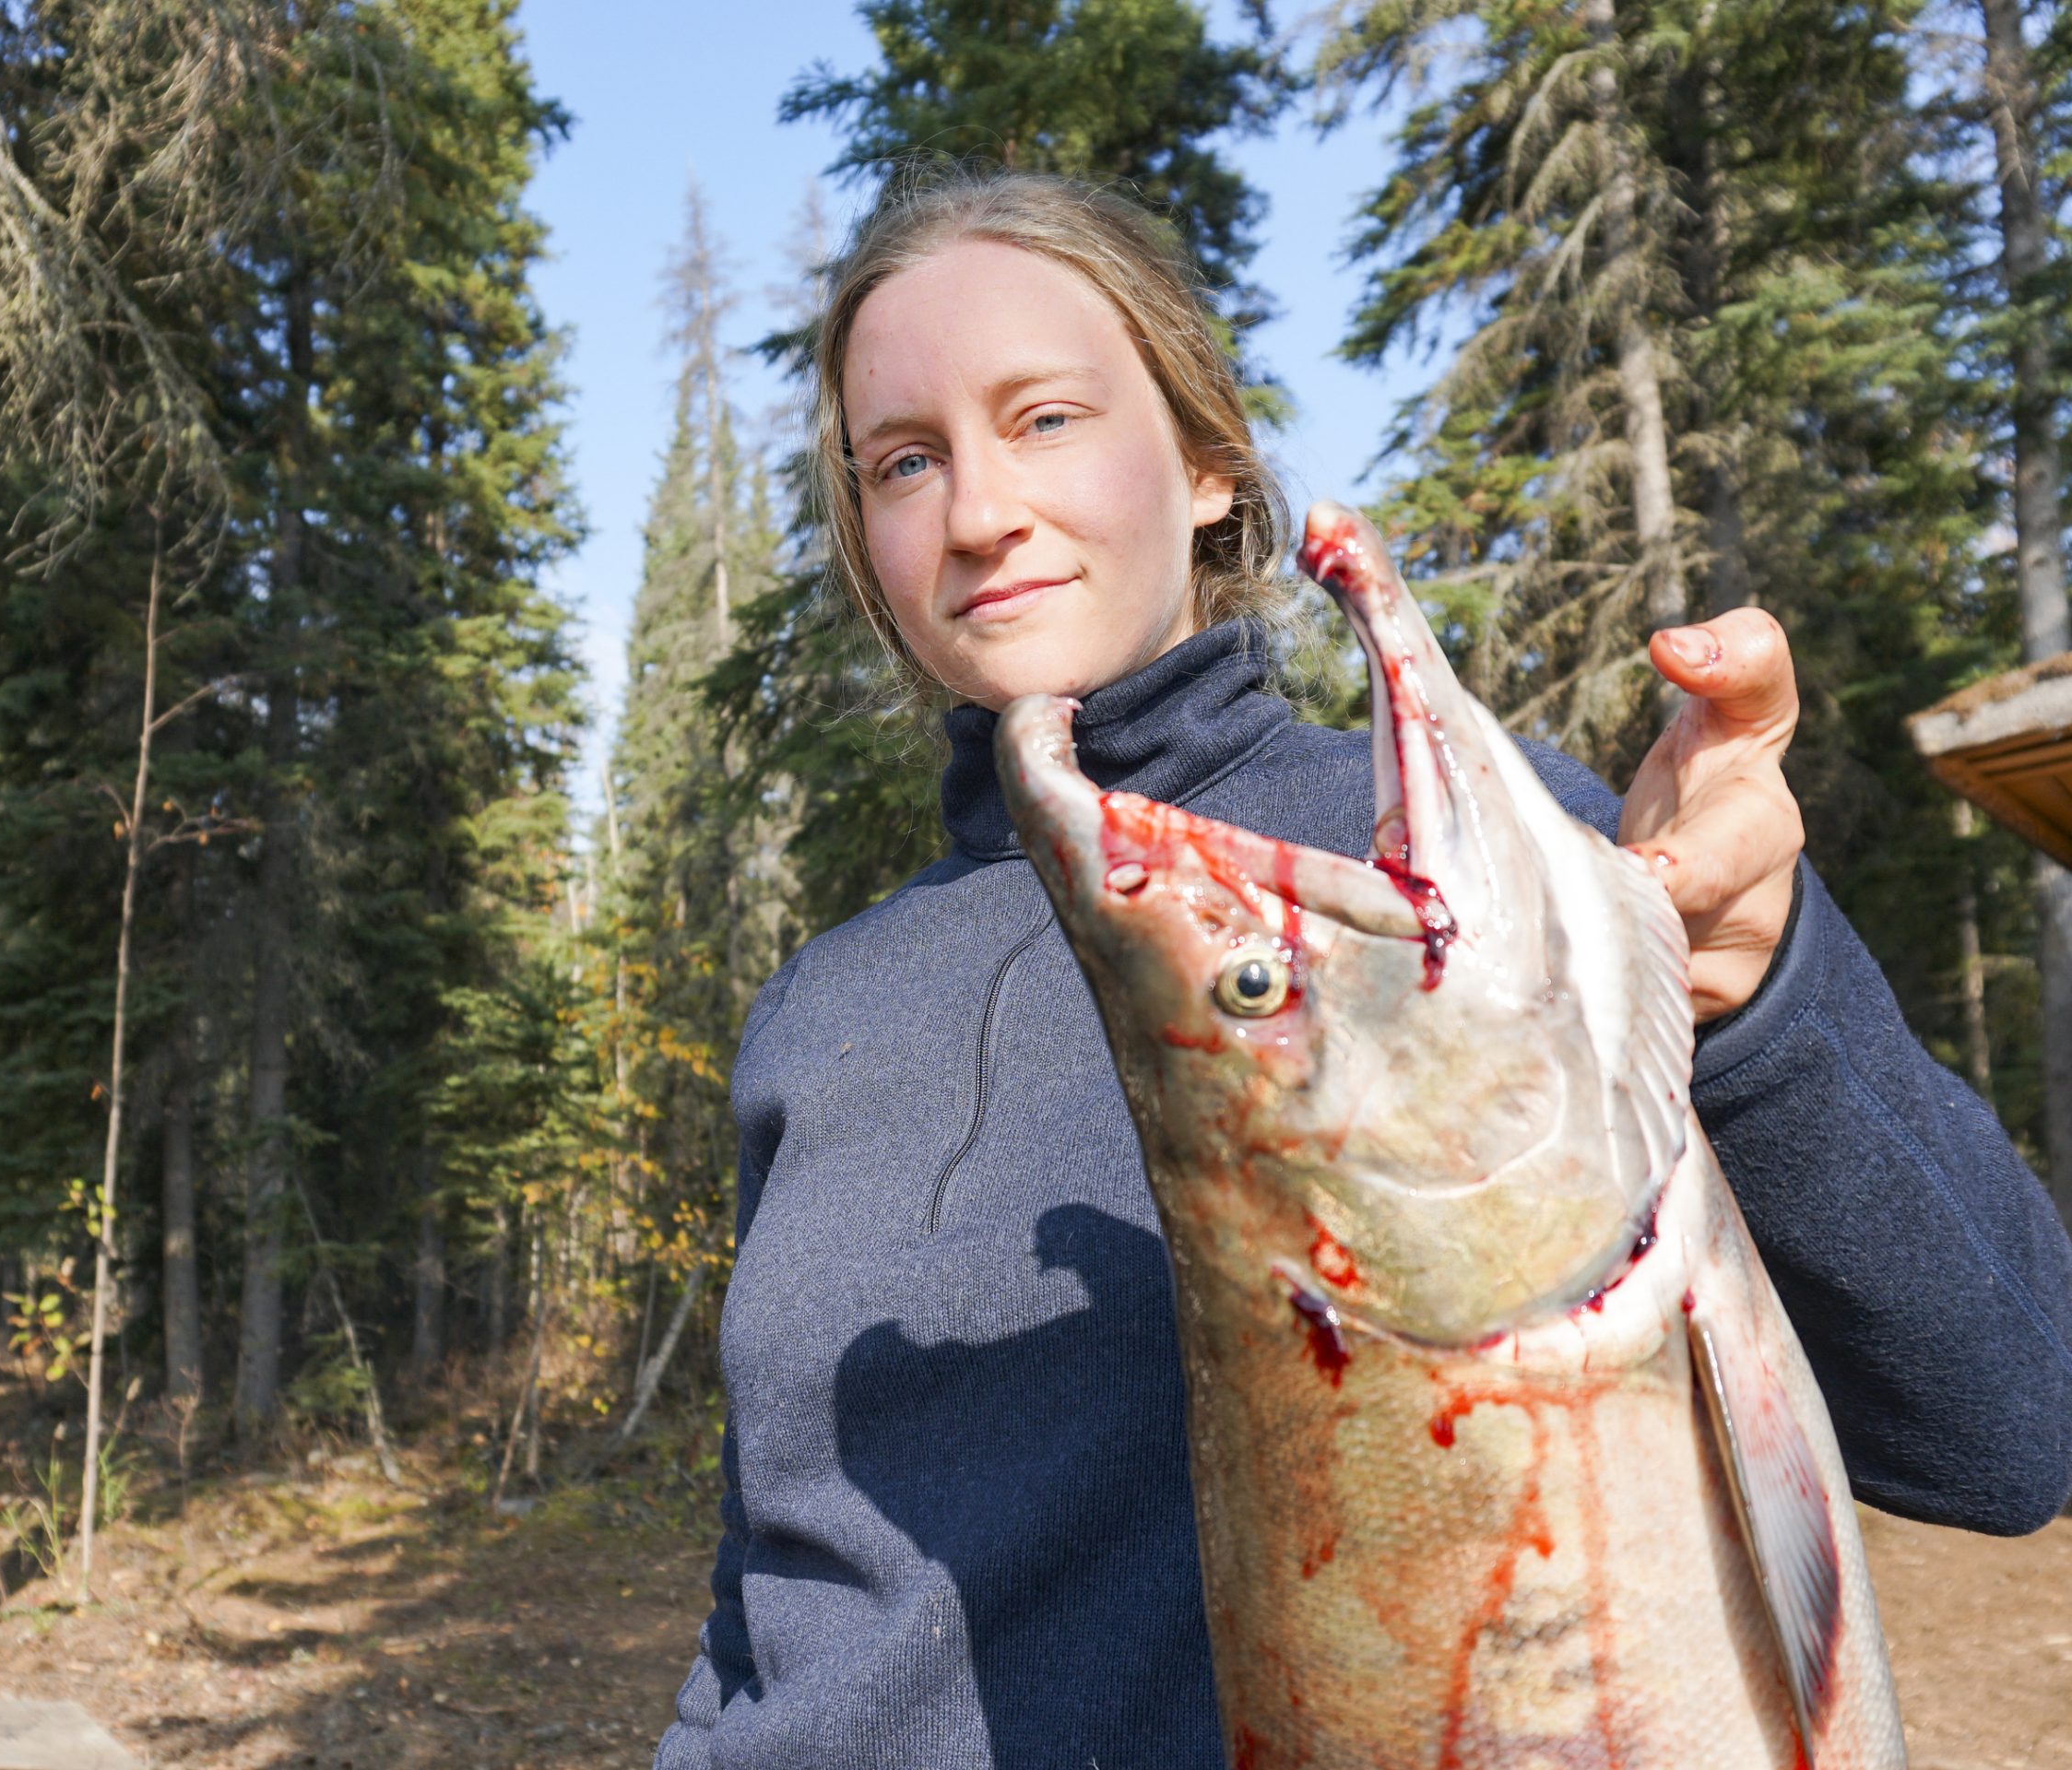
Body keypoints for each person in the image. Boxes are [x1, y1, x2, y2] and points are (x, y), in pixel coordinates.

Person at [652, 167, 2072, 1770]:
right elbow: (774, 1581)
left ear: (1207, 465)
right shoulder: (820, 1008)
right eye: (904, 461)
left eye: (1044, 418)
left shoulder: (1458, 858)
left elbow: (2009, 1424)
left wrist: (1758, 1000)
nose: (978, 510)